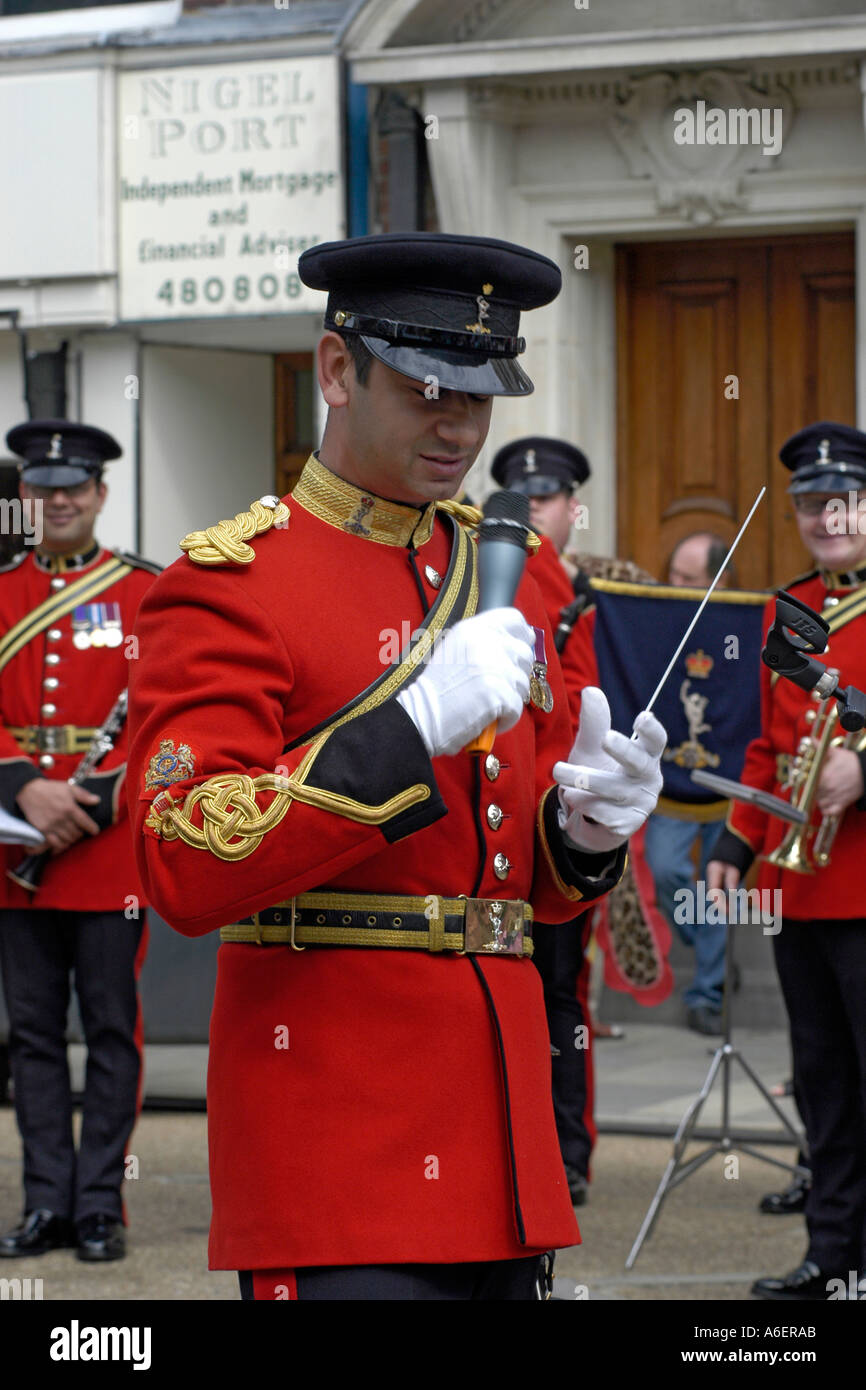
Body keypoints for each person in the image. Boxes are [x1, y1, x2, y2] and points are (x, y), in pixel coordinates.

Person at [127, 232, 666, 1301]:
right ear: (337, 371)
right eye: (427, 387)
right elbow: (180, 854)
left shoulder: (502, 568)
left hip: (501, 1142)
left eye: (479, 393)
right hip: (336, 1145)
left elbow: (508, 876)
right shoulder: (234, 580)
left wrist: (584, 835)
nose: (458, 422)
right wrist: (407, 725)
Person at [708, 421, 866, 1301]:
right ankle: (833, 1258)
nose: (827, 515)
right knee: (824, 1084)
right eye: (811, 503)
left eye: (843, 500)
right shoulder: (787, 610)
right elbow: (766, 746)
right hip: (800, 889)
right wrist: (738, 837)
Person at [0, 420, 159, 1262]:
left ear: (100, 494)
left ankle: (99, 1205)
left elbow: (167, 716)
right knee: (29, 1036)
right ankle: (45, 1207)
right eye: (43, 486)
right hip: (13, 850)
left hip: (105, 852)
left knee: (107, 1029)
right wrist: (21, 782)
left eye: (75, 486)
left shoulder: (145, 592)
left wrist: (87, 800)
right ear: (26, 496)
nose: (58, 499)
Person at [491, 435, 598, 1207]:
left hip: (556, 820)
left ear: (571, 507)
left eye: (550, 495)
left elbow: (590, 704)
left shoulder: (580, 594)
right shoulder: (486, 566)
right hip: (489, 816)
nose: (534, 504)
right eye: (523, 493)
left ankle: (565, 1152)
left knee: (559, 990)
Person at [644, 533, 734, 1035]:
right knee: (667, 871)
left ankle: (708, 990)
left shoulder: (745, 625)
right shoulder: (658, 624)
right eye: (672, 574)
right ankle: (712, 947)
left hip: (730, 777)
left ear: (717, 581)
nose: (673, 586)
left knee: (720, 886)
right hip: (673, 777)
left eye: (687, 579)